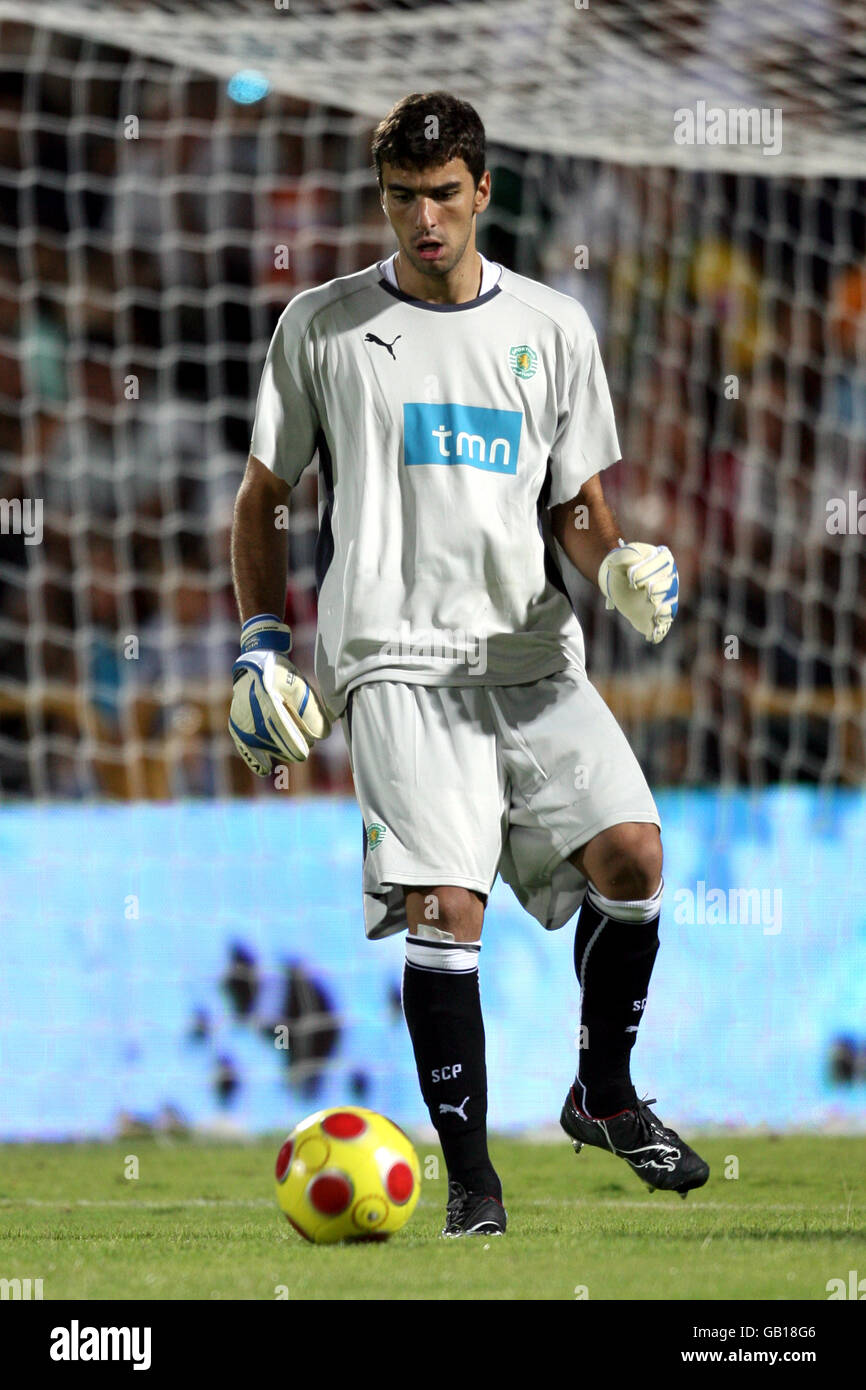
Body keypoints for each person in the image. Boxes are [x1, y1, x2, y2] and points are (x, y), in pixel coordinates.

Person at [229, 91, 708, 1238]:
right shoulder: (324, 325)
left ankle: (602, 1091)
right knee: (447, 907)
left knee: (633, 856)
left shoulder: (551, 325)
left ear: (482, 192)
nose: (423, 220)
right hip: (395, 659)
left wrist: (618, 566)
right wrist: (261, 647)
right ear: (383, 196)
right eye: (401, 198)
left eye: (443, 196)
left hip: (532, 654)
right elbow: (265, 500)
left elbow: (577, 506)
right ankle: (473, 1190)